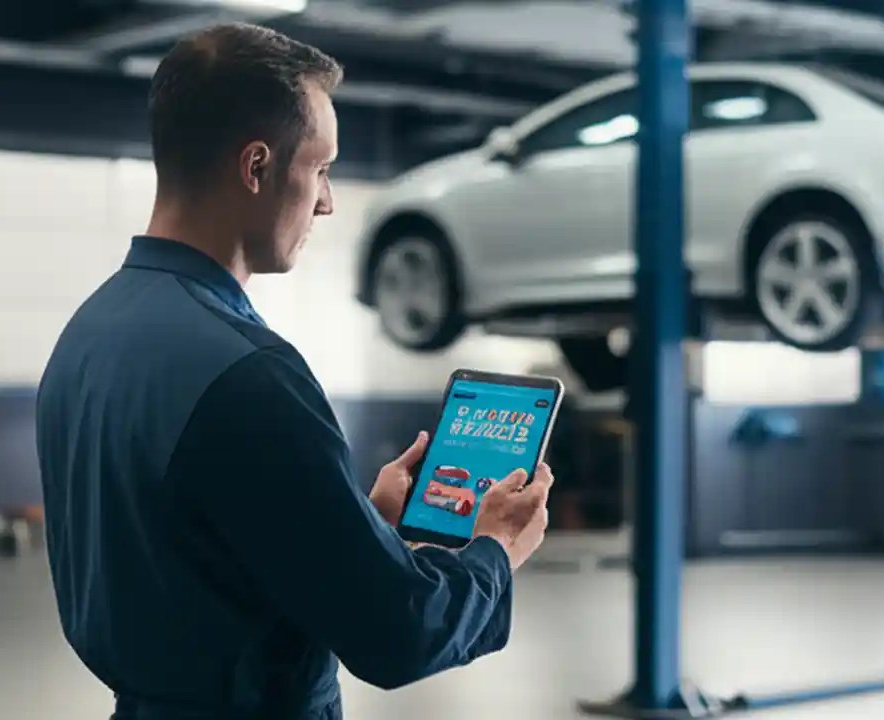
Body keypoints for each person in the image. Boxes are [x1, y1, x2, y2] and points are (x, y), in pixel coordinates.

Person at [35, 23, 553, 720]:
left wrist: (360, 524)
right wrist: (495, 551)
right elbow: (396, 633)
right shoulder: (250, 372)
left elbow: (195, 549)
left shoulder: (89, 333)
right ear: (257, 166)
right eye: (321, 169)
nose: (327, 202)